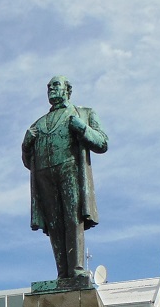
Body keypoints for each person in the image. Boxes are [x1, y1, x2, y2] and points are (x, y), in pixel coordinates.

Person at [21, 76, 109, 283]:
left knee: (72, 218)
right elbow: (27, 162)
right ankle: (62, 272)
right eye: (49, 87)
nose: (51, 89)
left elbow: (102, 143)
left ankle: (77, 268)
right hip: (44, 174)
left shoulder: (84, 113)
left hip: (69, 168)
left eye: (56, 85)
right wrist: (26, 145)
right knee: (54, 224)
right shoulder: (38, 123)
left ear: (68, 90)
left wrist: (81, 128)